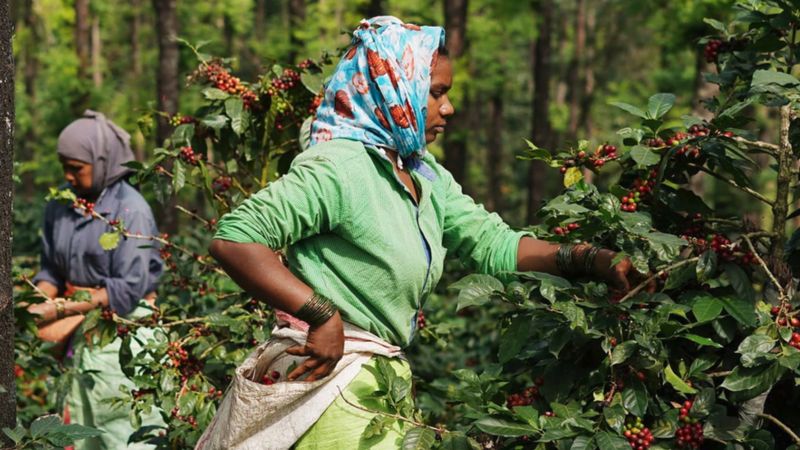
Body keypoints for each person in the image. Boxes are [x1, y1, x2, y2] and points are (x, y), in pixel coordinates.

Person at [208, 17, 642, 449]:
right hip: (327, 385)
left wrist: (593, 260)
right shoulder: (340, 167)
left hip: (376, 380)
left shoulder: (422, 173)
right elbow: (235, 238)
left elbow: (494, 245)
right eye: (436, 93)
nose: (448, 108)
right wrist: (322, 315)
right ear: (394, 88)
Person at [29, 110, 165, 449]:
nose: (68, 176)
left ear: (103, 161)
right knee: (81, 429)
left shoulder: (130, 210)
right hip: (78, 332)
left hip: (121, 334)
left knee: (122, 430)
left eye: (77, 168)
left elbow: (129, 287)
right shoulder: (60, 205)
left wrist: (60, 309)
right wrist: (39, 300)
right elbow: (50, 270)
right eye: (64, 166)